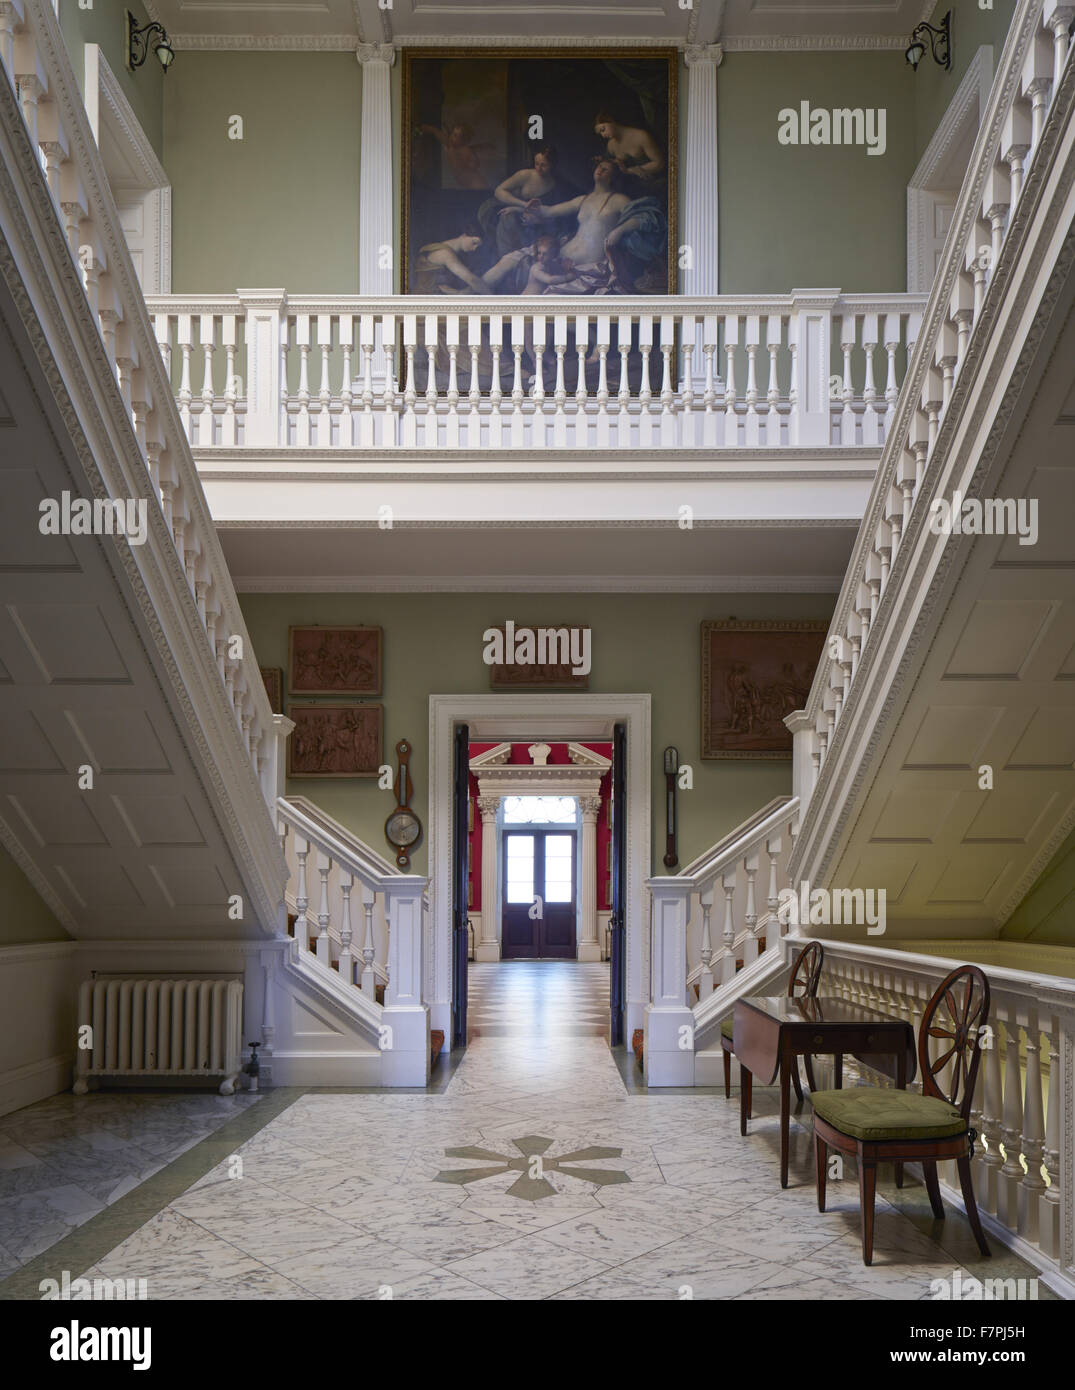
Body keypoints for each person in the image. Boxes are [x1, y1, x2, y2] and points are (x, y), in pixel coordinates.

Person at [593, 111, 665, 184]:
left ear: (612, 121)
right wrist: (603, 159)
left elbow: (659, 163)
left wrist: (633, 170)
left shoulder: (641, 136)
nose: (603, 135)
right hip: (630, 185)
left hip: (655, 182)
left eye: (603, 129)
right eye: (600, 133)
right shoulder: (610, 145)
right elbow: (612, 165)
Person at [417, 121, 490, 190]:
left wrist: (470, 164)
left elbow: (476, 162)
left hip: (473, 181)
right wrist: (430, 129)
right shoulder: (450, 145)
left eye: (456, 136)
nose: (452, 137)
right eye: (452, 134)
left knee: (482, 192)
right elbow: (436, 132)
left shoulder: (465, 150)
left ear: (463, 141)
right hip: (464, 181)